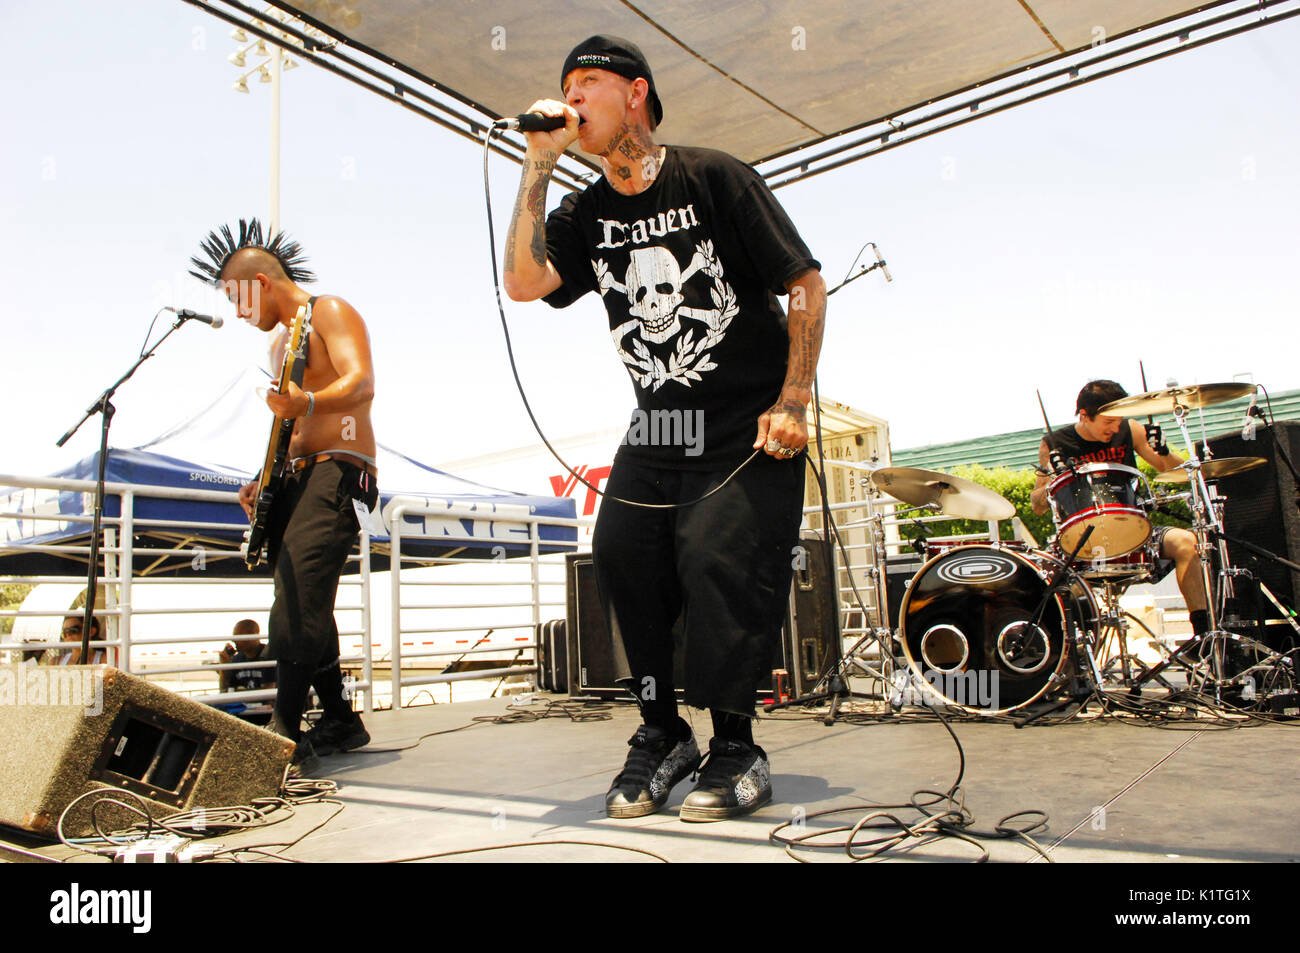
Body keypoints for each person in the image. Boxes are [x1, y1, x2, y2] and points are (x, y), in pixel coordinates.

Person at [503, 36, 826, 821]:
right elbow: (523, 281)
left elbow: (805, 283)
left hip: (745, 421)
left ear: (636, 94)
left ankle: (737, 743)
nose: (571, 101)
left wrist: (793, 399)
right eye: (564, 88)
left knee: (718, 561)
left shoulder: (715, 176)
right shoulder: (584, 210)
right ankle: (660, 730)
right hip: (660, 425)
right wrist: (538, 167)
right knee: (620, 552)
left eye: (587, 86)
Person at [189, 218, 376, 766]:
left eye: (237, 297)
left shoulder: (329, 312)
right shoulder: (279, 349)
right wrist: (262, 479)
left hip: (340, 467)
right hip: (296, 473)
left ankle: (284, 732)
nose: (238, 312)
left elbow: (362, 384)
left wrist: (310, 405)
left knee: (296, 595)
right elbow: (287, 428)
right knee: (308, 597)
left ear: (261, 284)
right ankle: (340, 719)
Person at [1030, 380, 1210, 637]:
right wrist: (1051, 477)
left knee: (1186, 542)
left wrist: (1165, 451)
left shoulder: (1131, 430)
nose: (1116, 428)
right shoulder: (1054, 443)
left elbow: (1179, 473)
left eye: (1118, 420)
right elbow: (1036, 506)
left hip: (1134, 533)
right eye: (1108, 422)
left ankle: (1202, 637)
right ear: (1084, 415)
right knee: (1045, 576)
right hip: (1082, 544)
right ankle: (1070, 657)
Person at [217, 618, 276, 693]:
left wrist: (240, 691)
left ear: (254, 635)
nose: (234, 640)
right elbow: (224, 691)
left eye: (238, 636)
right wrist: (224, 668)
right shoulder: (237, 659)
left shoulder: (268, 657)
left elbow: (269, 692)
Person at [41, 615, 111, 665]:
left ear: (91, 631)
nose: (68, 636)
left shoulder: (104, 660)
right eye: (65, 633)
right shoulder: (55, 662)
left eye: (73, 631)